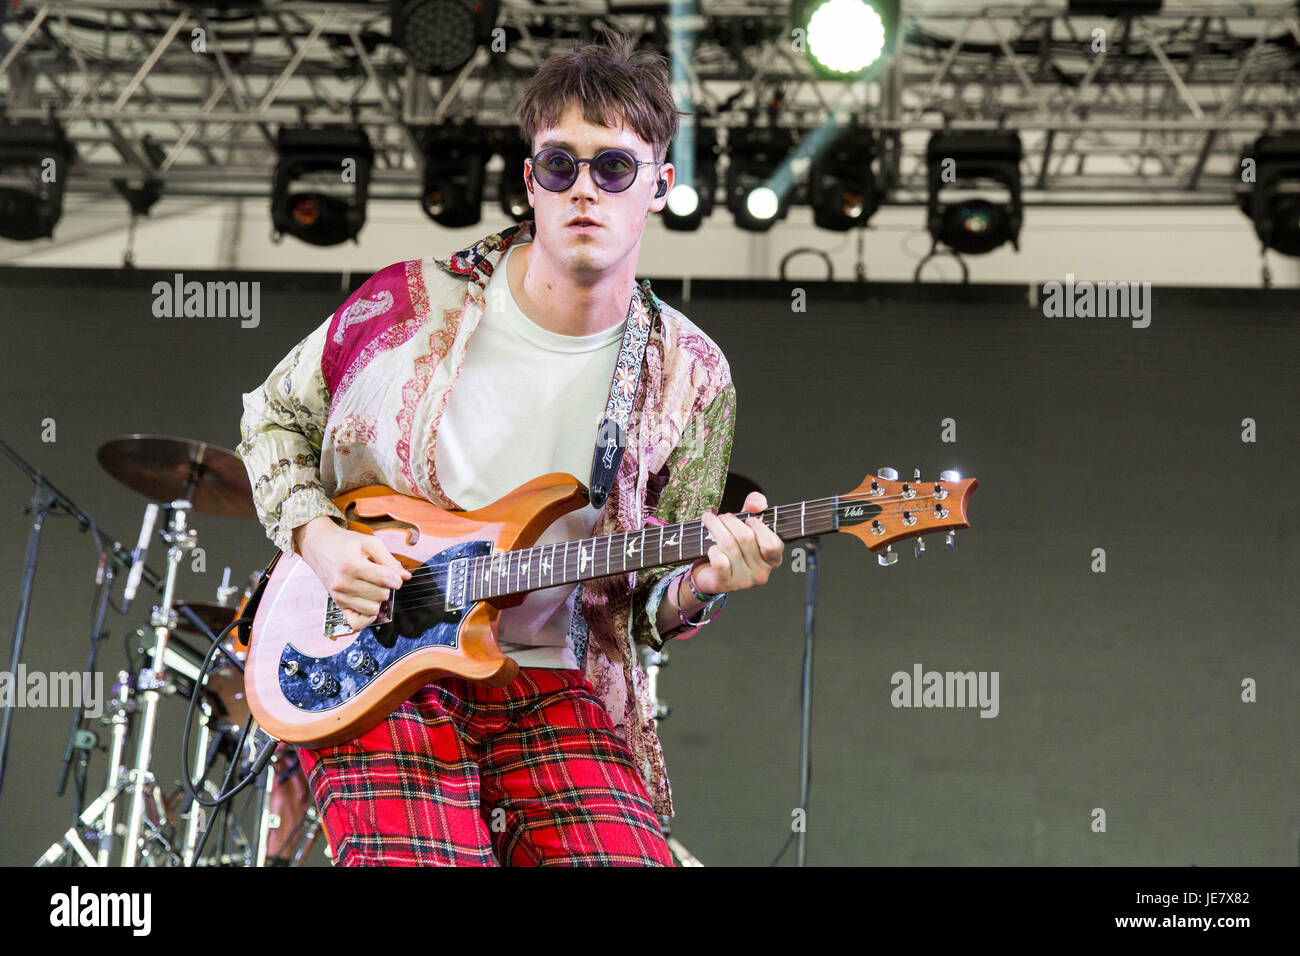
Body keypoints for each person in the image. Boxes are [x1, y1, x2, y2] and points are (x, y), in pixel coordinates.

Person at [237, 29, 783, 866]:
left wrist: (703, 585)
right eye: (560, 165)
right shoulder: (410, 302)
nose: (585, 191)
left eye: (614, 168)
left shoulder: (690, 376)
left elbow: (643, 607)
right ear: (531, 180)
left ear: (661, 186)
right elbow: (272, 415)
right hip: (373, 661)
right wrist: (321, 540)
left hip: (544, 678)